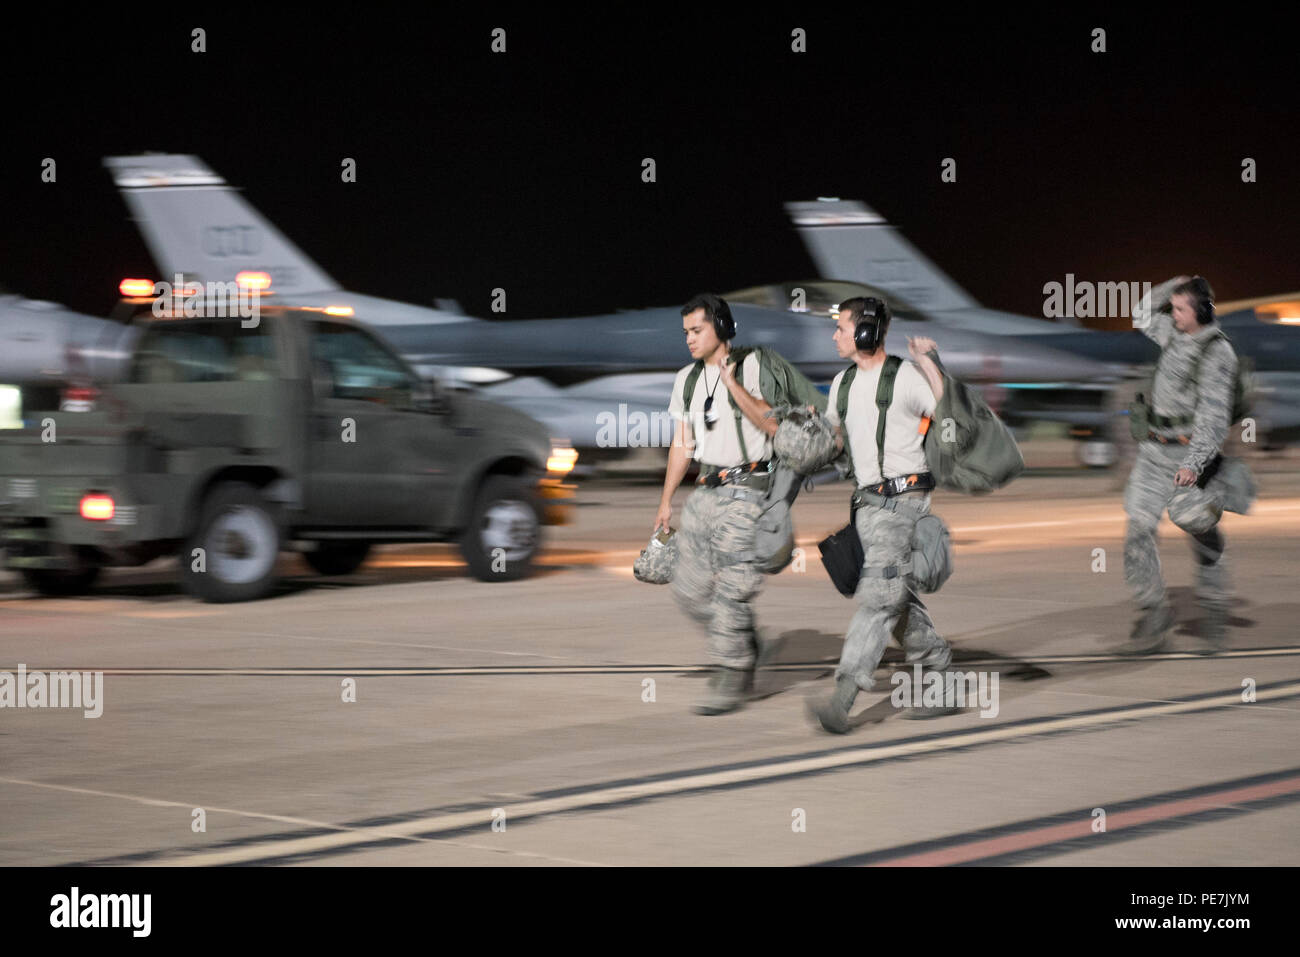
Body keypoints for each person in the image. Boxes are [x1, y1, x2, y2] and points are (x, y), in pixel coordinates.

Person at [810, 297, 953, 733]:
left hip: (903, 504)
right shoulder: (842, 384)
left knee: (876, 598)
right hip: (866, 506)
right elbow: (833, 437)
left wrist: (929, 362)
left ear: (867, 331)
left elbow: (947, 415)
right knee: (893, 596)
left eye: (841, 327)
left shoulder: (906, 377)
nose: (834, 335)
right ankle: (942, 677)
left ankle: (843, 698)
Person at [654, 293, 792, 715]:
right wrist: (666, 502)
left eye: (697, 331)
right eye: (686, 333)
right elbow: (683, 444)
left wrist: (733, 385)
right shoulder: (687, 380)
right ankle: (746, 639)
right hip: (706, 492)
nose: (690, 340)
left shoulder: (754, 368)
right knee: (689, 592)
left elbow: (774, 424)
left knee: (733, 591)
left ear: (723, 328)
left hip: (749, 489)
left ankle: (733, 671)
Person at [1121, 276, 1237, 654]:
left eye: (1181, 309)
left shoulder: (1217, 354)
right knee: (1138, 528)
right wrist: (1176, 284)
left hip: (1190, 458)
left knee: (1199, 530)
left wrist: (1194, 463)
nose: (1172, 315)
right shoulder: (1172, 332)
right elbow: (1140, 314)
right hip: (1154, 452)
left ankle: (1215, 608)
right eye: (1172, 308)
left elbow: (1214, 418)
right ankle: (1154, 613)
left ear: (1201, 312)